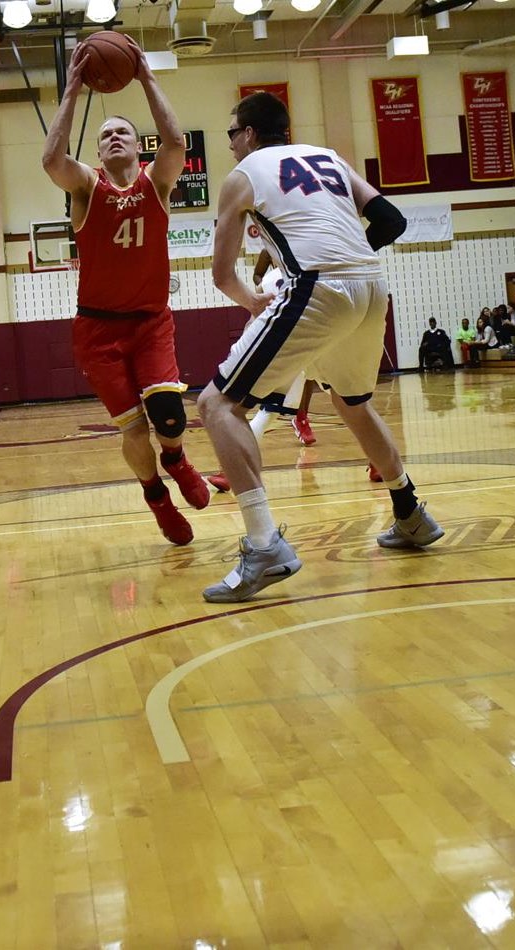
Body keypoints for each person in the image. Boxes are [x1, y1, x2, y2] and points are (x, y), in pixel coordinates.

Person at [197, 90, 440, 603]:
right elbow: (391, 219)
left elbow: (222, 275)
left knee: (217, 404)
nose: (231, 145)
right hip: (372, 286)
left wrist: (255, 302)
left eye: (231, 134)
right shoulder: (327, 157)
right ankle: (410, 512)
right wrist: (349, 259)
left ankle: (264, 546)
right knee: (352, 402)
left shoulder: (241, 177)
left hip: (317, 287)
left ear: (248, 134)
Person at [41, 44, 210, 545]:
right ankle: (156, 497)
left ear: (139, 148)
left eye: (123, 132)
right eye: (106, 134)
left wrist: (146, 77)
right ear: (97, 152)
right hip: (97, 329)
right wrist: (72, 86)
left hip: (151, 321)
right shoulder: (86, 189)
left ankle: (177, 459)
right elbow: (51, 158)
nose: (114, 137)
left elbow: (178, 143)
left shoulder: (158, 183)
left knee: (169, 415)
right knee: (134, 432)